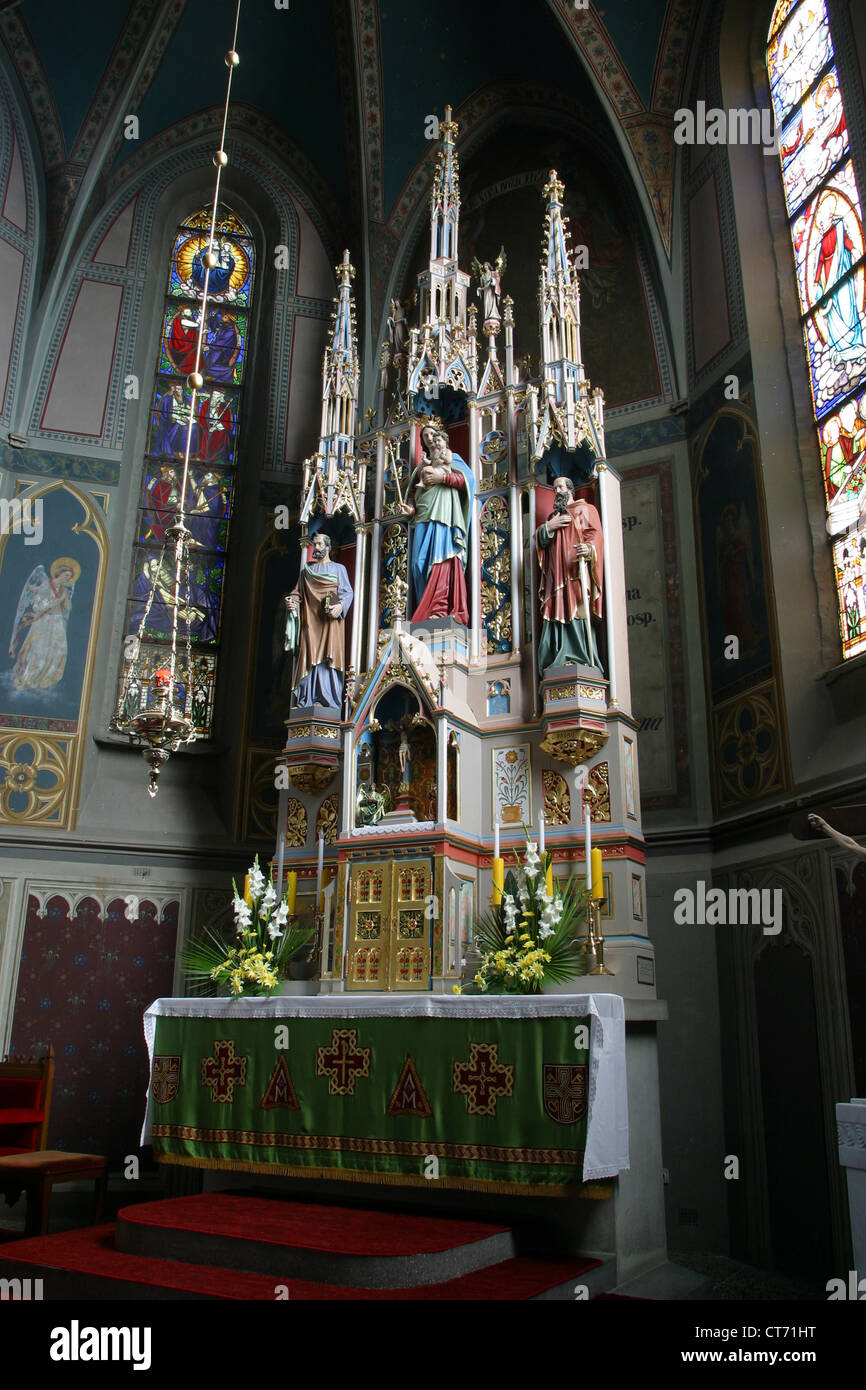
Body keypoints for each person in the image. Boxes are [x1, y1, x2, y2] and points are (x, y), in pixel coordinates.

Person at [400, 423, 474, 624]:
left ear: (442, 437)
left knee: (441, 560)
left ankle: (439, 610)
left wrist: (444, 477)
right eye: (425, 436)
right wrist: (410, 509)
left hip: (445, 516)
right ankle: (425, 609)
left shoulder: (452, 459)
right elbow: (414, 495)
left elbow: (468, 481)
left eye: (433, 434)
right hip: (423, 518)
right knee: (418, 564)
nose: (430, 439)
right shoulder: (421, 468)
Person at [535, 475, 604, 674]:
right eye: (555, 488)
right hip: (555, 576)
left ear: (571, 490)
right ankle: (557, 656)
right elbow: (541, 542)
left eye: (561, 487)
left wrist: (589, 549)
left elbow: (596, 535)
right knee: (556, 610)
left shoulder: (585, 509)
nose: (557, 492)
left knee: (577, 610)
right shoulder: (553, 518)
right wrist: (548, 527)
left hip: (575, 572)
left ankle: (581, 656)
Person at [284, 532, 353, 710]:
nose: (316, 548)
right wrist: (292, 602)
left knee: (328, 657)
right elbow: (297, 593)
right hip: (310, 621)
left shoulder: (339, 569)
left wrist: (340, 607)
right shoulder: (307, 571)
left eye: (320, 544)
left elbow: (347, 592)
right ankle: (307, 698)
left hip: (330, 622)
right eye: (314, 545)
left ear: (328, 547)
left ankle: (329, 700)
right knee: (309, 655)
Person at [10, 558, 80, 691]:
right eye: (66, 575)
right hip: (44, 622)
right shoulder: (46, 585)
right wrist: (56, 601)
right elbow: (37, 606)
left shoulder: (64, 590)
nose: (67, 579)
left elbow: (66, 608)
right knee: (38, 650)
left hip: (57, 621)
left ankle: (46, 678)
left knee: (59, 651)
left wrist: (67, 600)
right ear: (59, 573)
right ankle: (28, 677)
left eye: (69, 577)